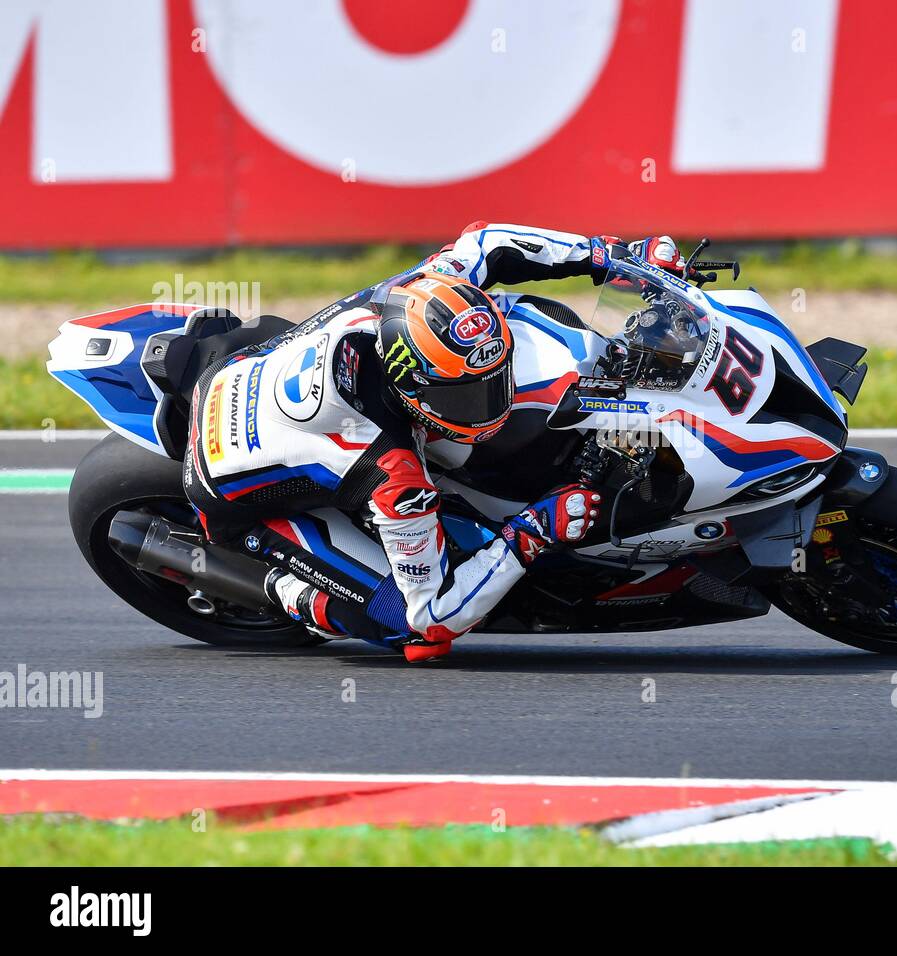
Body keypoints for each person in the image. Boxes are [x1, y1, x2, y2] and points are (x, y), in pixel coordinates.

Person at [182, 224, 684, 662]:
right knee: (409, 630)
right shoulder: (391, 471)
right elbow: (436, 614)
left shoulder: (417, 296)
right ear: (410, 386)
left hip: (246, 371)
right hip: (228, 491)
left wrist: (610, 255)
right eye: (469, 396)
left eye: (495, 380)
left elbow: (488, 240)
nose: (492, 405)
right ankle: (283, 592)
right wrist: (533, 530)